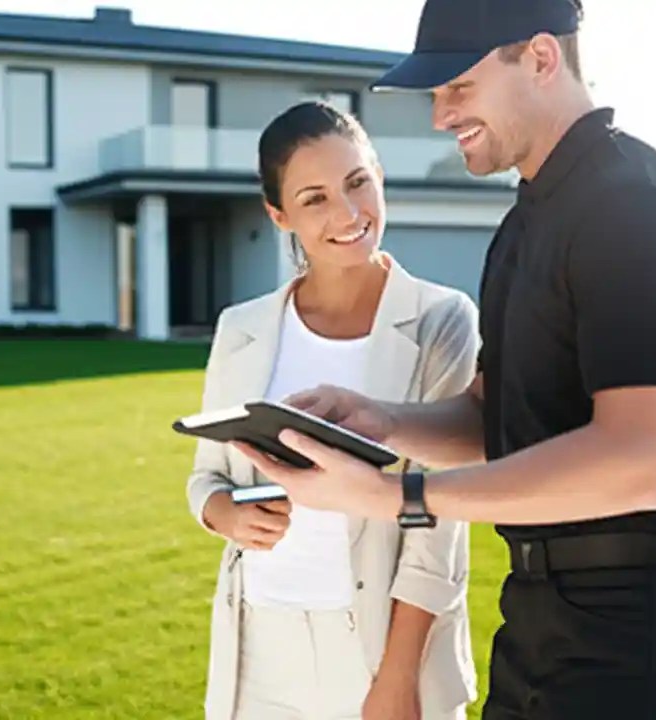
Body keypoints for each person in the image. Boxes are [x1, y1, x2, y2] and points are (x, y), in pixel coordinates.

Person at [234, 1, 656, 719]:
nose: (440, 115)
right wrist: (382, 421)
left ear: (540, 58)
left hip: (642, 626)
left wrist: (399, 498)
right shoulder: (526, 224)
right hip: (541, 615)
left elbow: (641, 462)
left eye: (459, 87)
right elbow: (495, 417)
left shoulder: (640, 209)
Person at [185, 101, 479, 720]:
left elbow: (442, 524)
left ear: (379, 177)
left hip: (376, 650)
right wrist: (223, 514)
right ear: (279, 215)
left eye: (357, 182)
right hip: (256, 649)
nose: (347, 213)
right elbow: (206, 477)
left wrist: (398, 677)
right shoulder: (241, 328)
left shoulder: (441, 320)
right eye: (314, 198)